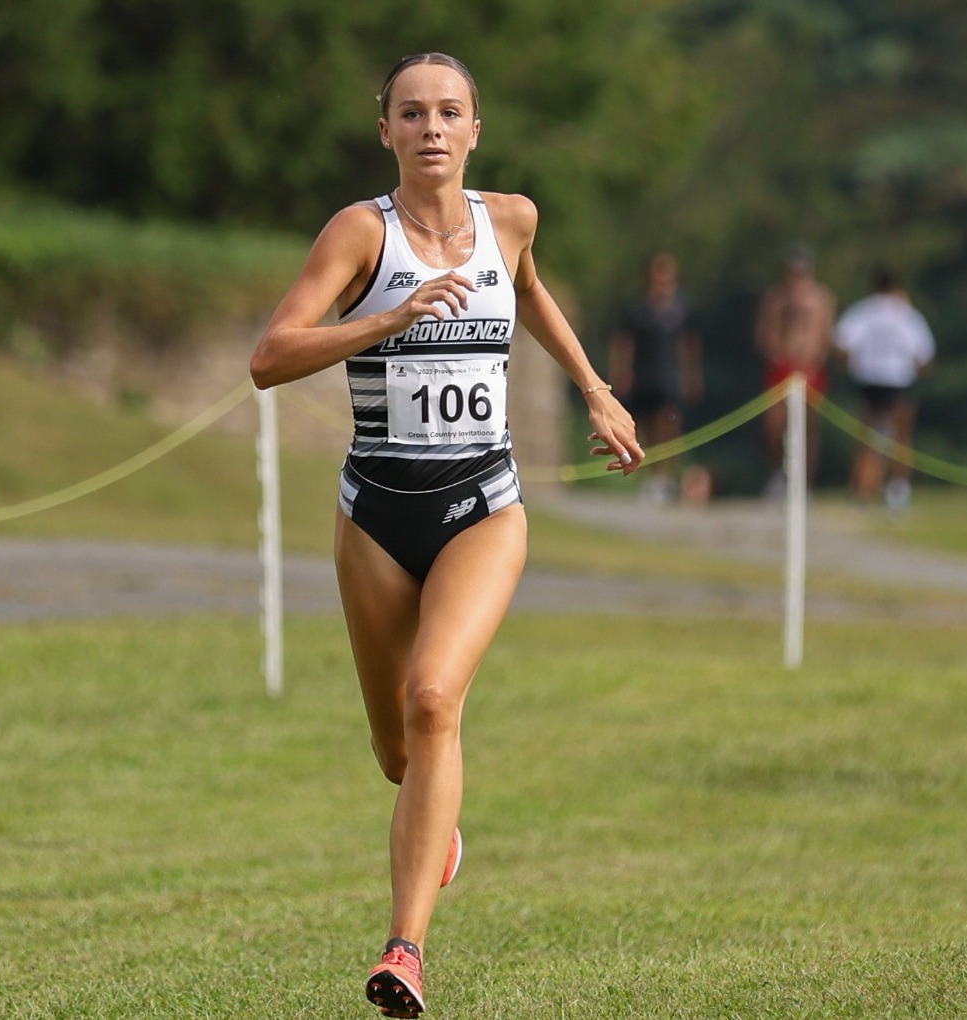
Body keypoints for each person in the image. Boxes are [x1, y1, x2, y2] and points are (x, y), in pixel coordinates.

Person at [248, 53, 643, 1018]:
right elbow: (271, 357)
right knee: (397, 751)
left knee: (435, 703)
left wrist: (593, 390)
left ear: (476, 129)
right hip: (375, 515)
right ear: (385, 131)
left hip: (483, 506)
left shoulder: (511, 219)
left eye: (449, 112)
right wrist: (385, 320)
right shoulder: (358, 234)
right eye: (411, 113)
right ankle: (438, 827)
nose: (431, 128)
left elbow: (530, 289)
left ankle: (405, 951)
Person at [833, 268, 936, 509]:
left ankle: (862, 489)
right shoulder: (906, 313)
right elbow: (924, 354)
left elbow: (841, 343)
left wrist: (849, 366)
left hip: (869, 380)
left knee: (869, 437)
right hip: (898, 380)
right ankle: (897, 488)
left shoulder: (863, 310)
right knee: (901, 437)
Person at [608, 252, 703, 504]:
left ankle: (669, 476)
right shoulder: (639, 311)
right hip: (644, 375)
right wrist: (621, 373)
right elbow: (624, 345)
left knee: (669, 424)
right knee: (647, 426)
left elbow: (689, 345)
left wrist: (692, 376)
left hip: (670, 376)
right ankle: (652, 477)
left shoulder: (681, 310)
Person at [754, 246, 835, 496]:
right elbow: (764, 334)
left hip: (810, 368)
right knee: (774, 425)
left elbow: (826, 334)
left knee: (809, 427)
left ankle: (805, 482)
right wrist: (776, 353)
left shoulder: (821, 298)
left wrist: (813, 359)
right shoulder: (776, 299)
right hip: (782, 366)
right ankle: (780, 472)